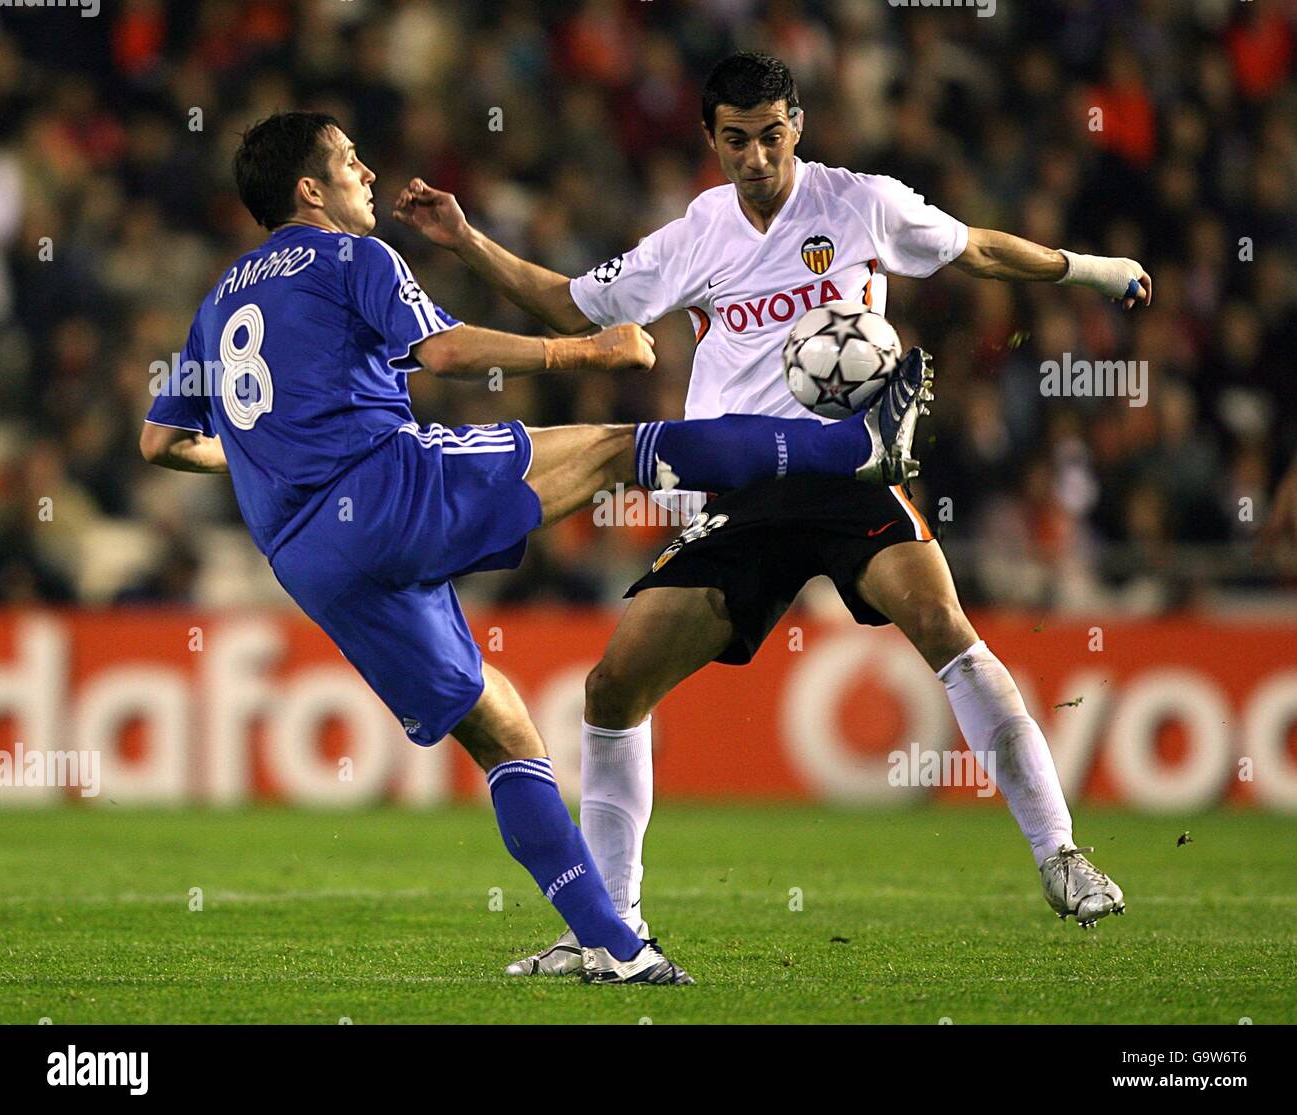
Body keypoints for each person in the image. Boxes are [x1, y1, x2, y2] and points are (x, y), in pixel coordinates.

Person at [393, 52, 1145, 975]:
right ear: (712, 141)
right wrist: (466, 239)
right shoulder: (695, 234)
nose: (758, 157)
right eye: (737, 140)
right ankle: (607, 931)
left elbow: (977, 248)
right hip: (740, 489)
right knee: (611, 689)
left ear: (799, 125)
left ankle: (1061, 853)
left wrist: (1095, 270)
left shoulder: (861, 201)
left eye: (774, 134)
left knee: (943, 623)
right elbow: (568, 301)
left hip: (847, 470)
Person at [139, 111, 930, 985]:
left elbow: (161, 443)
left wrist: (265, 454)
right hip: (387, 486)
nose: (366, 171)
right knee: (615, 448)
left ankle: (616, 947)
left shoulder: (216, 304)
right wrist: (580, 347)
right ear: (309, 189)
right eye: (350, 159)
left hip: (309, 558)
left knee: (501, 729)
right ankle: (852, 449)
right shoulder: (351, 257)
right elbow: (440, 351)